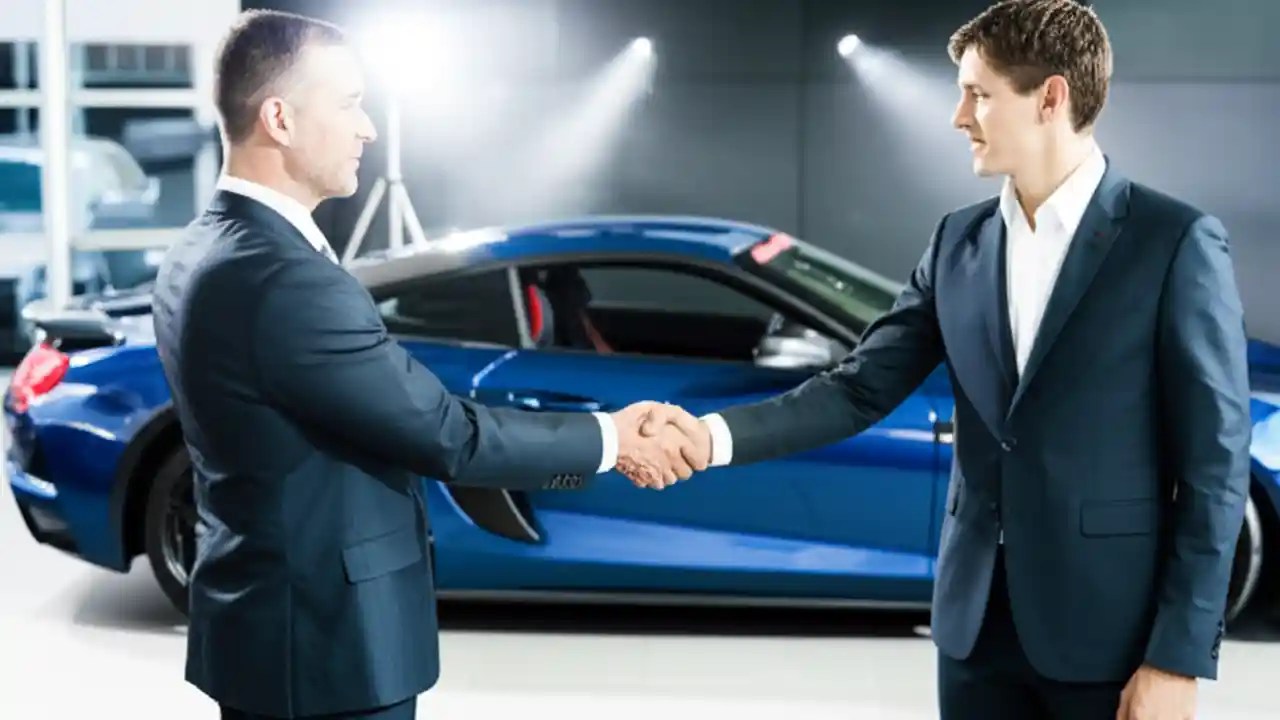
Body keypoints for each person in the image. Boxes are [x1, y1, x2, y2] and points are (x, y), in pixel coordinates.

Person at [645, 1, 1252, 718]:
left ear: (1050, 98)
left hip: (1109, 637)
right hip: (972, 634)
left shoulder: (1173, 242)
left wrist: (1176, 658)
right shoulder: (958, 242)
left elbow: (1214, 467)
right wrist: (709, 437)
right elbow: (858, 389)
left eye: (979, 93)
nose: (958, 116)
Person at [152, 10, 704, 720]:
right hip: (325, 653)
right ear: (280, 118)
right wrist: (616, 439)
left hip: (266, 627)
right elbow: (448, 434)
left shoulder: (202, 248)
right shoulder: (284, 279)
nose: (369, 129)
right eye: (349, 104)